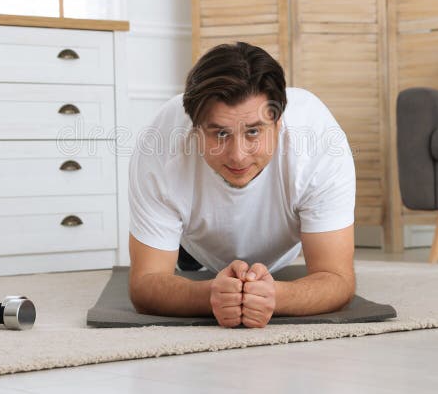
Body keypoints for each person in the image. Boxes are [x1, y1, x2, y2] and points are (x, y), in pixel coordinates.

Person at [128, 42, 356, 328]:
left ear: (279, 123)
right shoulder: (158, 146)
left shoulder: (319, 141)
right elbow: (144, 284)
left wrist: (276, 296)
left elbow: (337, 279)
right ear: (194, 128)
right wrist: (209, 294)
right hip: (197, 241)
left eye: (253, 131)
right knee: (186, 260)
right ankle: (191, 257)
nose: (237, 155)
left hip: (283, 241)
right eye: (220, 133)